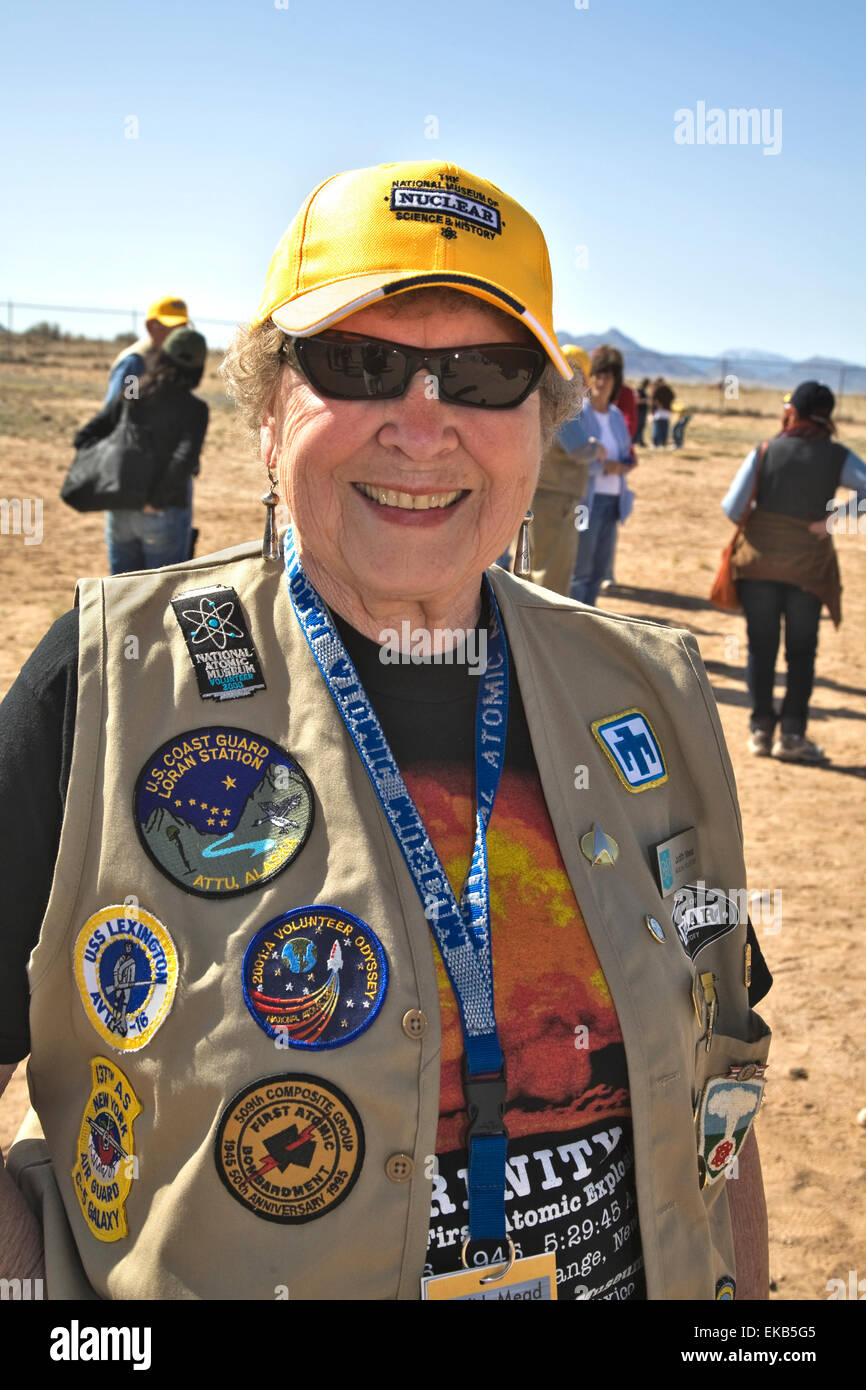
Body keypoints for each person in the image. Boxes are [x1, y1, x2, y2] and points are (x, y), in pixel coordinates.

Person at [0, 158, 771, 1302]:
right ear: (269, 411)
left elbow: (722, 1086)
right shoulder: (109, 679)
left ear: (539, 428)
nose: (424, 425)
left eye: (485, 375)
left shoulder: (647, 690)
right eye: (360, 364)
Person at [722, 381, 866, 763]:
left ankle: (759, 732)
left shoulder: (765, 450)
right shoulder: (838, 456)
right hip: (808, 570)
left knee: (761, 649)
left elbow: (733, 508)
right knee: (801, 653)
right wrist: (836, 519)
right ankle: (792, 734)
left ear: (795, 411)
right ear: (828, 416)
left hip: (759, 564)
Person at [74, 326, 210, 574]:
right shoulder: (195, 408)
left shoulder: (133, 391)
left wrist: (115, 481)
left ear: (162, 356)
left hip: (121, 511)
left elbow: (86, 436)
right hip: (163, 514)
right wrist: (154, 500)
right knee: (161, 601)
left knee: (121, 598)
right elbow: (183, 458)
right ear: (198, 369)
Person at [525, 343, 606, 595]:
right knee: (553, 571)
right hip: (556, 498)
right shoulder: (563, 405)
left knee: (531, 565)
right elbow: (578, 449)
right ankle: (546, 630)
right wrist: (596, 448)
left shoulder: (536, 397)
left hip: (540, 494)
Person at [570, 344, 638, 606]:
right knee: (581, 572)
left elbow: (624, 450)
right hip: (587, 500)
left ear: (616, 382)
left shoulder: (617, 416)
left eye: (607, 376)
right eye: (597, 375)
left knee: (599, 571)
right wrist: (603, 467)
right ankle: (575, 625)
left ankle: (590, 623)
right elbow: (573, 459)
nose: (601, 381)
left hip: (613, 501)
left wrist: (627, 462)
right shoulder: (580, 414)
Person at [104, 295, 189, 405]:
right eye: (168, 327)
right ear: (150, 326)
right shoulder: (135, 362)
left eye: (181, 328)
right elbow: (123, 410)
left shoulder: (172, 361)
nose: (176, 335)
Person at [651, 377, 675, 447]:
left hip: (660, 411)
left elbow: (653, 399)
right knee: (664, 428)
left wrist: (659, 405)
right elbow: (673, 397)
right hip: (666, 411)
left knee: (658, 428)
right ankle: (662, 443)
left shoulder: (657, 389)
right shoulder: (667, 389)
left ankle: (657, 443)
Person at [634, 377, 650, 446]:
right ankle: (635, 441)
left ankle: (639, 441)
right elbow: (636, 400)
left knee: (641, 426)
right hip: (639, 411)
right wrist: (645, 400)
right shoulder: (639, 390)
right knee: (637, 426)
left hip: (643, 411)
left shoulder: (643, 391)